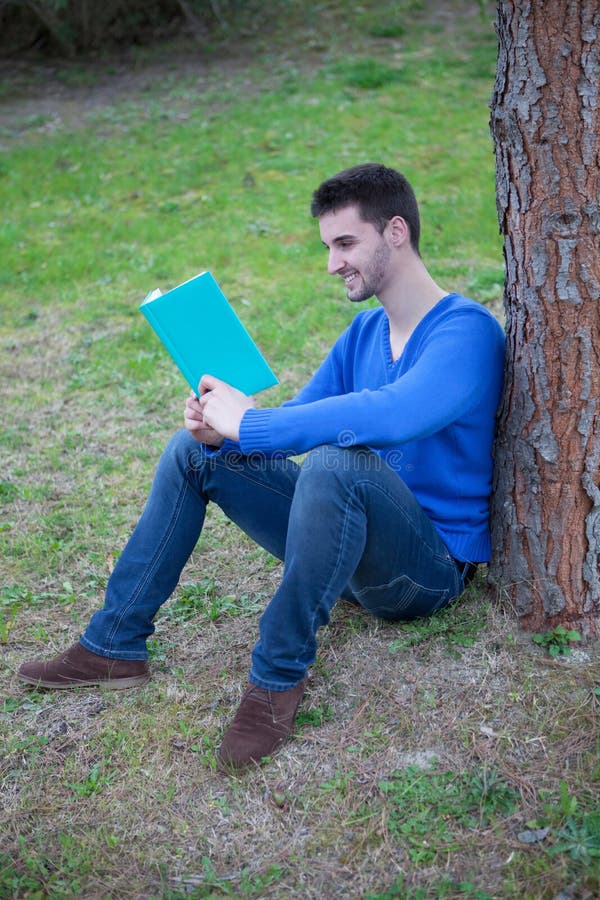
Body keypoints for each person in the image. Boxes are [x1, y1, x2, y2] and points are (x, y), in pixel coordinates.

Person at [17, 163, 505, 770]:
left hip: (423, 572)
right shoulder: (364, 333)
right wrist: (222, 433)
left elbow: (397, 413)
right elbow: (298, 421)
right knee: (195, 451)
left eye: (346, 243)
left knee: (337, 462)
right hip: (349, 545)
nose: (333, 263)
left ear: (397, 232)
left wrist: (252, 423)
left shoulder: (469, 333)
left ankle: (275, 681)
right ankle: (114, 644)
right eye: (328, 247)